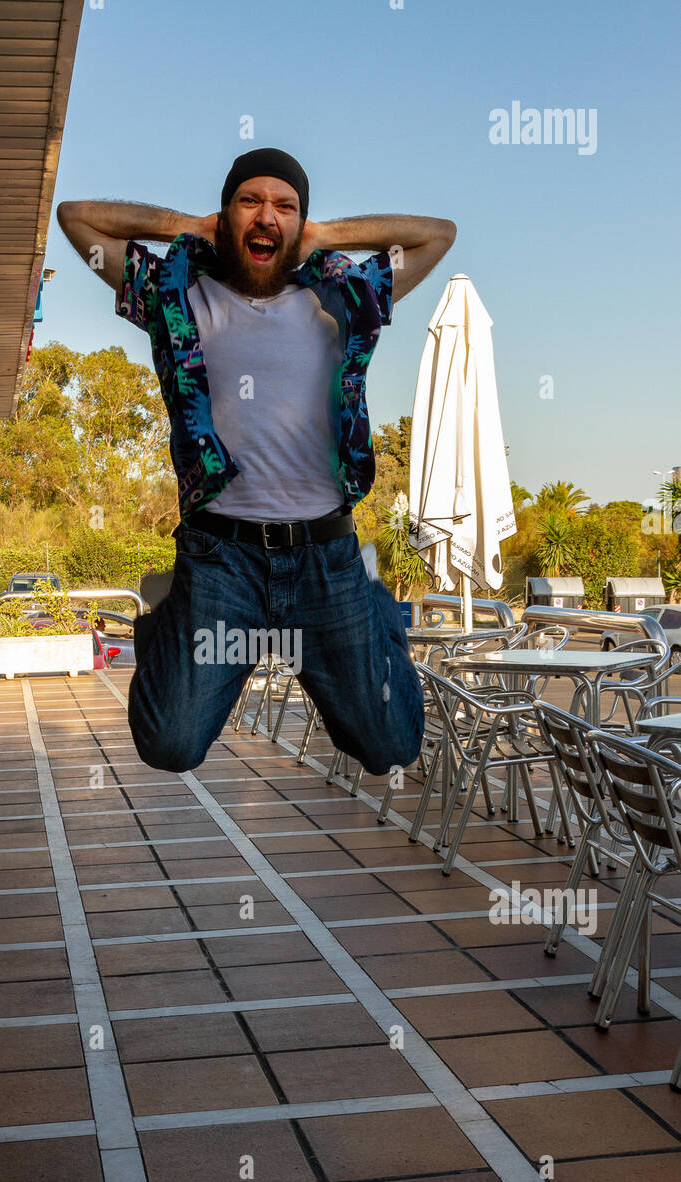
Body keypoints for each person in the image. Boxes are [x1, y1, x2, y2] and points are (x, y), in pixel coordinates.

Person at [58, 148, 456, 774]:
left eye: (285, 206)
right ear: (226, 215)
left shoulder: (349, 296)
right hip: (222, 560)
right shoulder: (177, 295)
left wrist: (324, 234)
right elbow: (77, 218)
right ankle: (170, 612)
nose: (266, 215)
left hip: (328, 556)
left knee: (391, 746)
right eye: (250, 201)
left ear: (299, 223)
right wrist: (189, 227)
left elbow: (438, 237)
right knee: (170, 746)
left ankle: (376, 607)